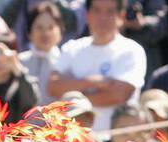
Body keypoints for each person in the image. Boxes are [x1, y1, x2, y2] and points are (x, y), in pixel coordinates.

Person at [48, 0, 148, 133]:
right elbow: (53, 87)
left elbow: (119, 94)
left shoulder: (132, 50)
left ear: (121, 16)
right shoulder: (71, 48)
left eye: (110, 11)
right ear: (87, 15)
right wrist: (92, 82)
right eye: (97, 11)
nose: (103, 18)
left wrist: (72, 97)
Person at [19, 1, 65, 105]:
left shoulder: (65, 62)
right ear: (29, 32)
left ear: (60, 32)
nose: (45, 33)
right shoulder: (19, 62)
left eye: (51, 27)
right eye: (39, 27)